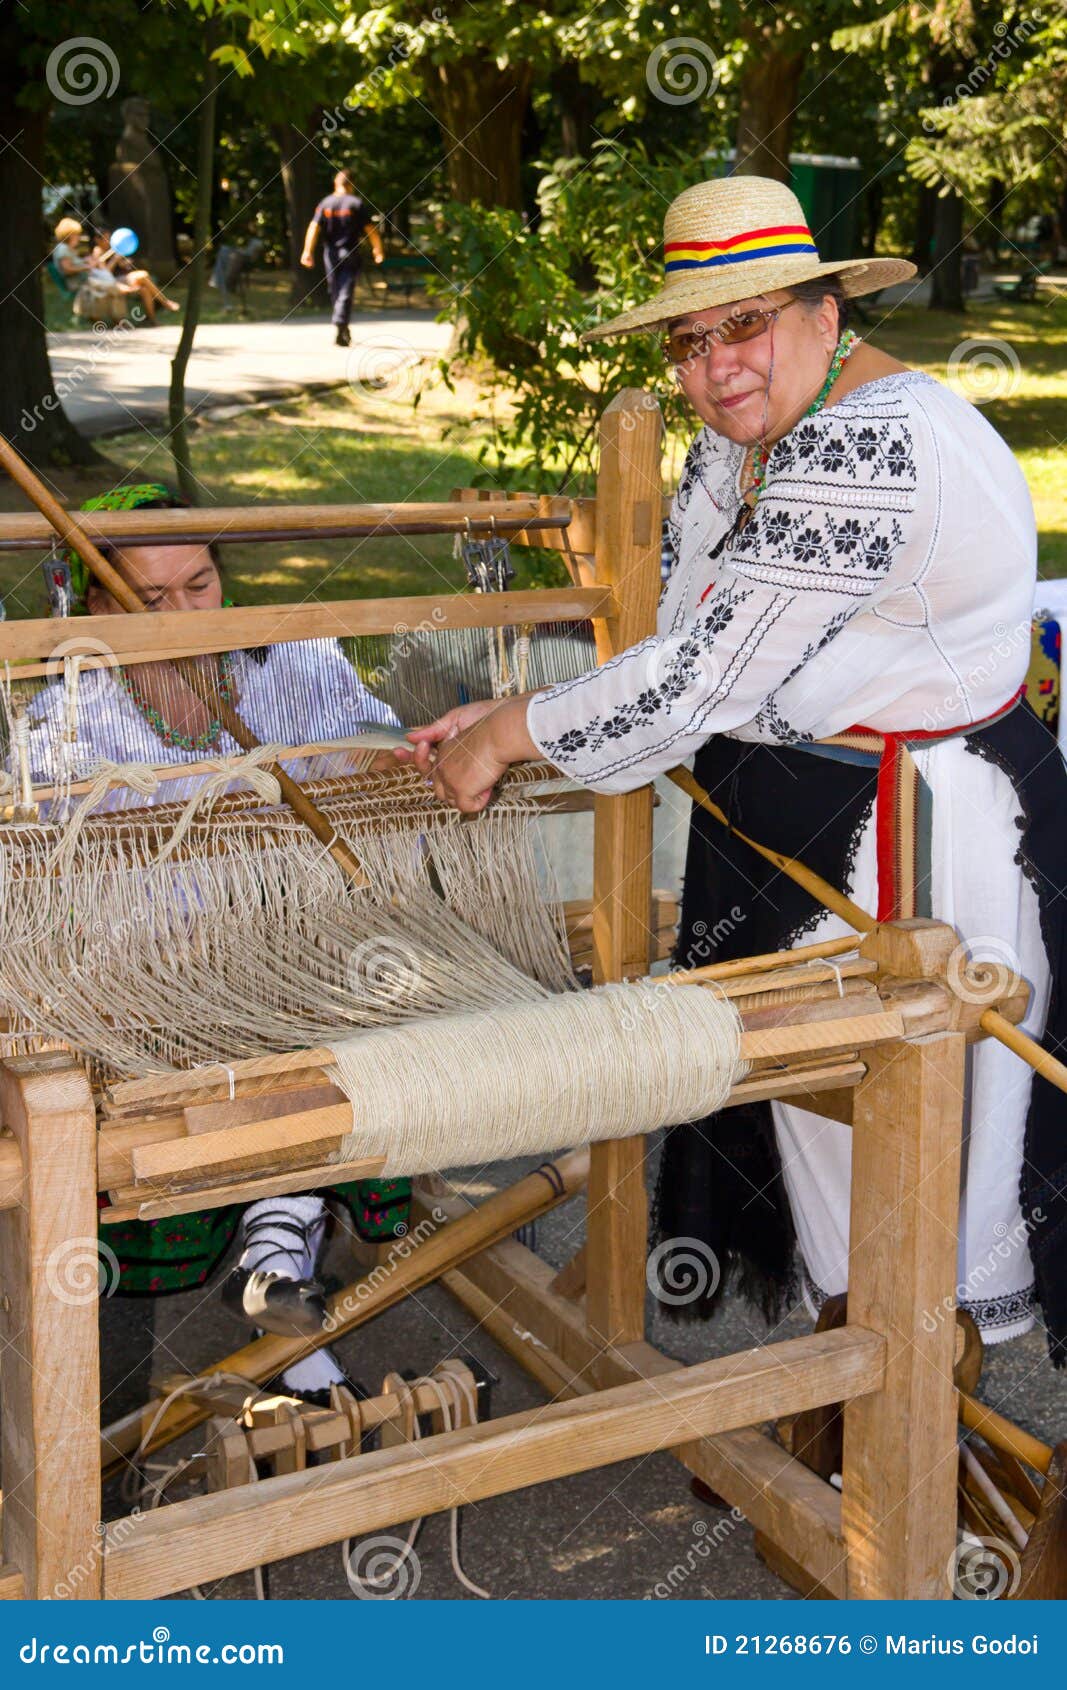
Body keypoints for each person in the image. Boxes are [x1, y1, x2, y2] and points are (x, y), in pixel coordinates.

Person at [396, 176, 1067, 1368]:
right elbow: (687, 632)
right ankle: (864, 1387)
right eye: (689, 341)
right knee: (833, 1151)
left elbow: (696, 683)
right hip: (813, 833)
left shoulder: (870, 451)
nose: (714, 369)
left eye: (744, 325)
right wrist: (499, 710)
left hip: (914, 851)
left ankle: (901, 1419)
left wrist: (505, 735)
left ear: (824, 313)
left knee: (905, 1160)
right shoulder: (749, 441)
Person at [29, 484, 410, 1403]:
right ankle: (276, 1268)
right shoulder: (67, 722)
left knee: (351, 990)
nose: (184, 615)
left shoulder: (294, 669)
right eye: (149, 601)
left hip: (283, 958)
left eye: (199, 584)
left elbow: (386, 760)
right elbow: (37, 885)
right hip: (136, 980)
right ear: (94, 611)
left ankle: (278, 1251)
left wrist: (379, 760)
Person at [301, 170, 384, 346]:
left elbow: (313, 227)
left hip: (329, 254)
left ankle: (341, 326)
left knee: (335, 290)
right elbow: (370, 229)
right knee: (346, 290)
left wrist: (307, 251)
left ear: (336, 184)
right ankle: (341, 323)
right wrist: (377, 249)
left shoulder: (325, 203)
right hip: (350, 252)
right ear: (351, 185)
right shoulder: (355, 203)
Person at [52, 217, 180, 325]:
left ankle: (152, 319)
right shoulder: (65, 249)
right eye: (76, 234)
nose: (78, 237)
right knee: (138, 281)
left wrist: (122, 262)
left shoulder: (68, 250)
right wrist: (89, 266)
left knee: (143, 284)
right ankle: (161, 304)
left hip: (102, 279)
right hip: (91, 282)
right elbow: (68, 269)